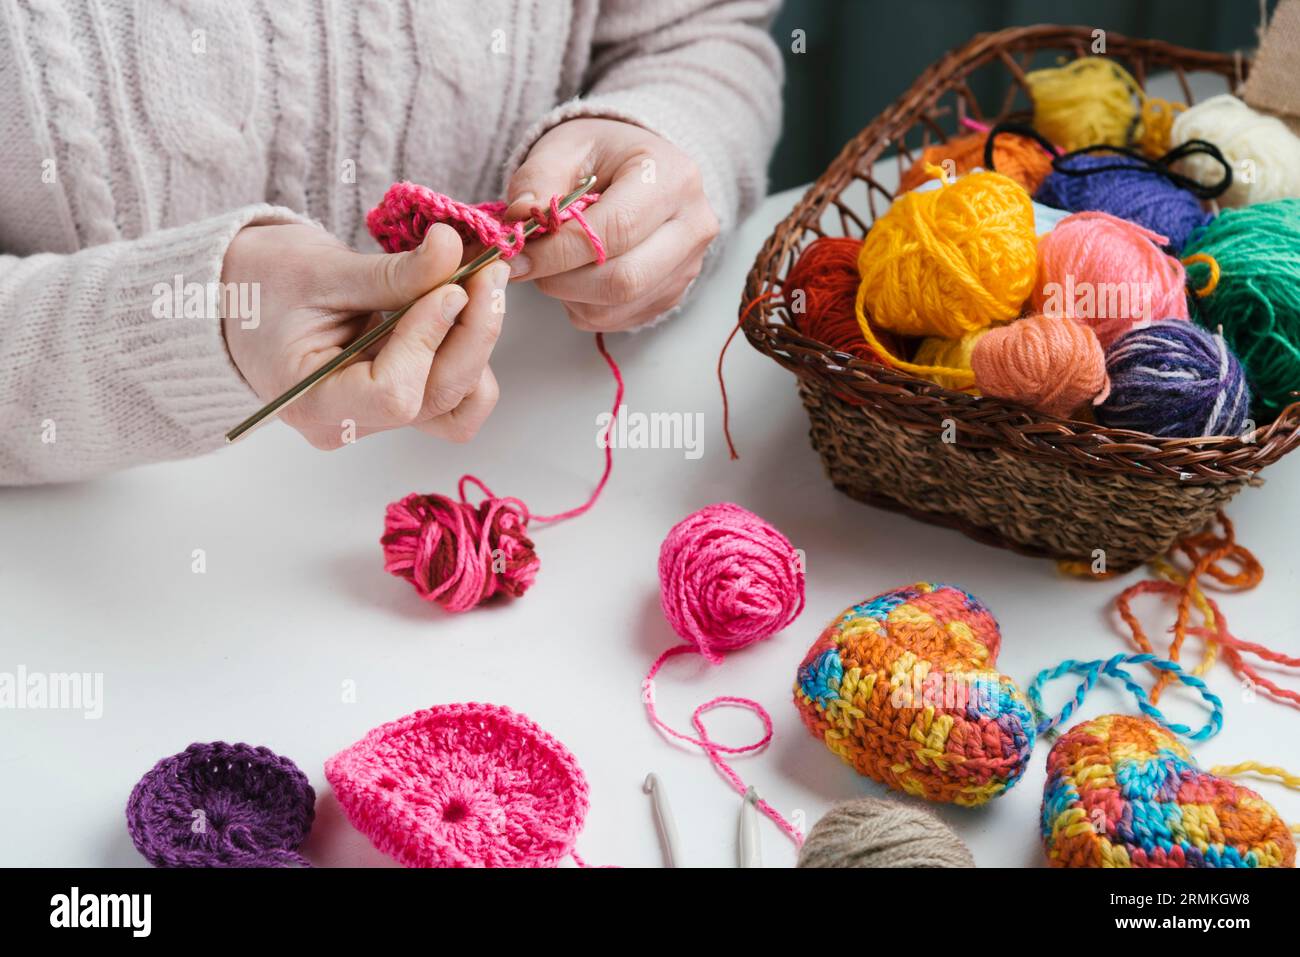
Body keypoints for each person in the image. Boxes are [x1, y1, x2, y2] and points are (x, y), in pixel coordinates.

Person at [0, 0, 782, 484]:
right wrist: (200, 324)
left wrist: (663, 143)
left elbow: (699, 32)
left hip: (535, 436)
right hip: (89, 553)